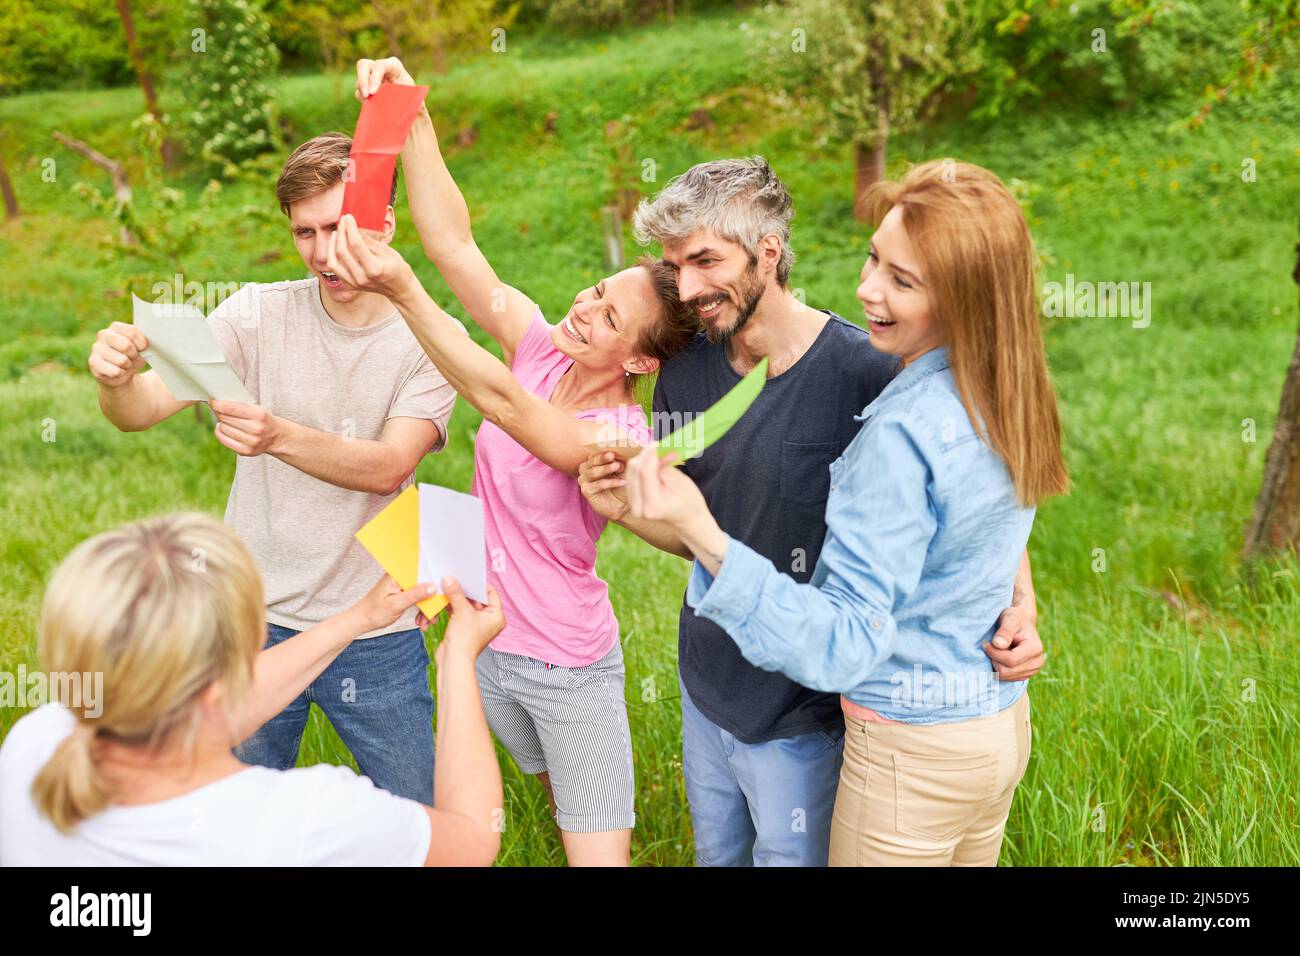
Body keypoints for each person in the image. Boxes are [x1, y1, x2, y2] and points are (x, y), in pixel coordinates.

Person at [578, 157, 1047, 866]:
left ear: (769, 249)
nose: (690, 288)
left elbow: (961, 496)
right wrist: (629, 510)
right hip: (710, 685)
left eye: (706, 260)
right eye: (677, 268)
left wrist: (1022, 597)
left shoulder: (873, 374)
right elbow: (702, 533)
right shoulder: (687, 369)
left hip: (813, 715)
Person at [324, 58, 699, 866]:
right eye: (596, 289)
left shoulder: (618, 434)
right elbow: (454, 242)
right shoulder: (538, 345)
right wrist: (407, 114)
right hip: (487, 644)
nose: (582, 308)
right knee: (550, 801)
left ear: (637, 362)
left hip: (568, 664)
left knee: (595, 855)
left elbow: (502, 407)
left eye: (606, 319)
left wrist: (401, 292)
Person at [86, 133, 459, 803]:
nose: (322, 253)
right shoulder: (256, 312)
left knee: (419, 820)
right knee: (233, 818)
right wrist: (114, 379)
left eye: (337, 228)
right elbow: (140, 410)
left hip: (380, 621)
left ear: (385, 221)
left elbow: (388, 466)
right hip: (251, 619)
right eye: (304, 232)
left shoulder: (432, 340)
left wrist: (278, 435)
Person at [0, 513, 505, 866]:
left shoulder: (37, 743)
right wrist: (457, 659)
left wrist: (356, 619)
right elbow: (474, 841)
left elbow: (205, 702)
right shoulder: (305, 820)